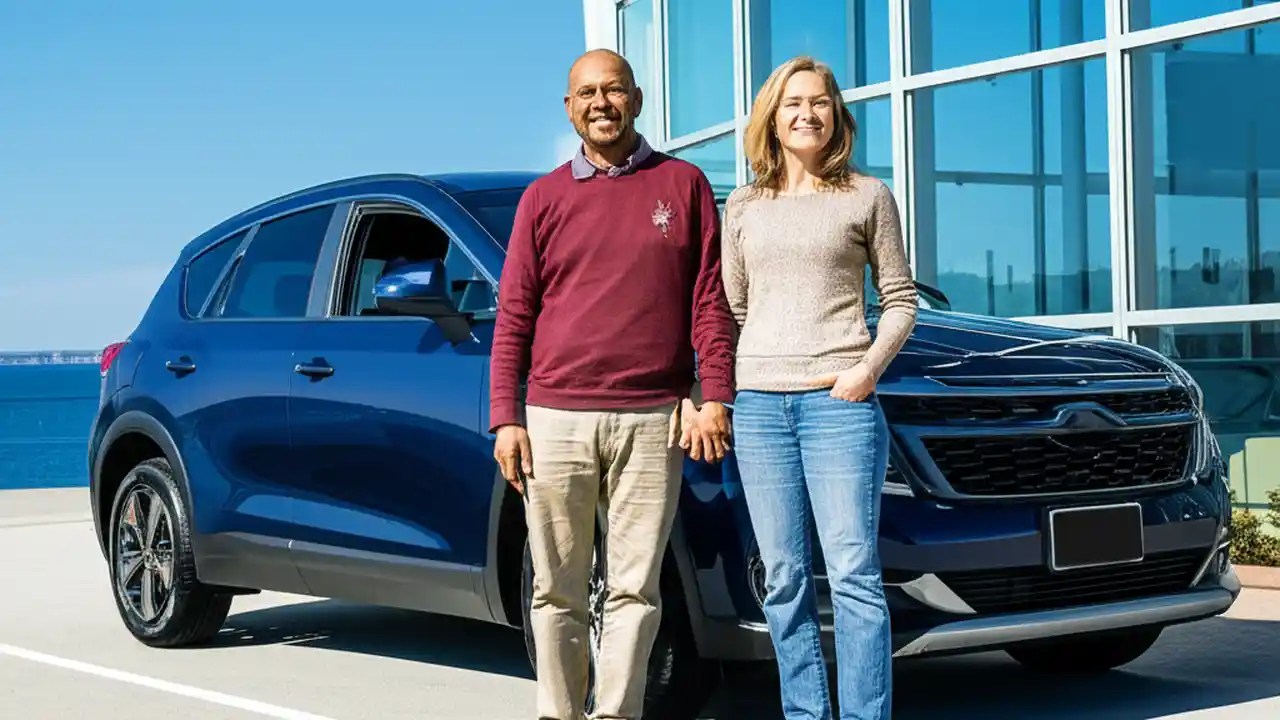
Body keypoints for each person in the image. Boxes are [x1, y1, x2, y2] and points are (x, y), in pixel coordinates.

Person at [488, 48, 736, 720]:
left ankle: (616, 714)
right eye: (588, 93)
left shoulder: (684, 186)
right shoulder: (543, 199)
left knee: (635, 590)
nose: (602, 102)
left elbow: (709, 301)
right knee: (556, 591)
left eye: (615, 90)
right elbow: (514, 312)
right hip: (554, 418)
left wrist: (714, 394)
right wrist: (505, 417)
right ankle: (559, 712)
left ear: (638, 98)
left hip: (655, 417)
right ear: (569, 108)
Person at [720, 56, 917, 720]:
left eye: (820, 102)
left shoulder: (867, 196)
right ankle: (806, 714)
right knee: (782, 580)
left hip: (841, 408)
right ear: (771, 119)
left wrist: (865, 370)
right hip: (760, 411)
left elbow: (900, 300)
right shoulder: (743, 205)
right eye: (792, 103)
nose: (807, 113)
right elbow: (737, 307)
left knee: (855, 578)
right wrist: (759, 370)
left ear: (837, 115)